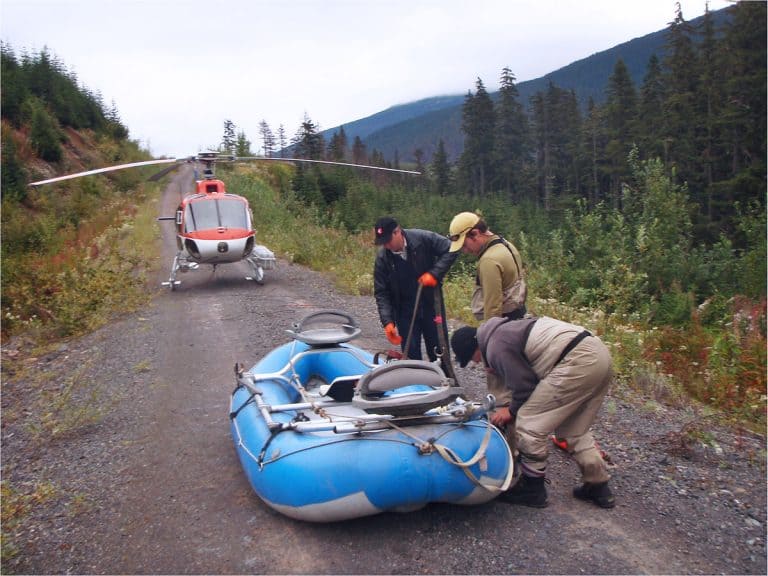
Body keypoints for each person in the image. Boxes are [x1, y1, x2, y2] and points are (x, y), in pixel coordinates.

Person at [450, 316, 615, 509]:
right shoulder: (505, 331)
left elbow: (525, 388)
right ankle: (598, 485)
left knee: (528, 423)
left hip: (576, 361)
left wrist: (510, 411)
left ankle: (532, 489)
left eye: (472, 358)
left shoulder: (496, 346)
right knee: (574, 429)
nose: (475, 363)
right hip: (600, 355)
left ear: (475, 347)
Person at [447, 211, 527, 439]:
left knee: (502, 393)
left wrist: (489, 354)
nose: (465, 250)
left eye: (465, 244)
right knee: (517, 383)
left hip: (501, 332)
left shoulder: (489, 261)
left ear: (476, 234)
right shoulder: (507, 246)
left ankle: (509, 444)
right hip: (518, 323)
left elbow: (493, 310)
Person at [373, 216, 457, 362]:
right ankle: (415, 383)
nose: (386, 246)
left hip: (431, 306)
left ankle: (444, 380)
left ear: (397, 232)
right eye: (383, 243)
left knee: (439, 351)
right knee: (411, 355)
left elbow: (451, 248)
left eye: (388, 241)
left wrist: (434, 274)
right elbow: (382, 293)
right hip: (404, 311)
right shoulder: (382, 259)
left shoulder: (423, 238)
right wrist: (388, 322)